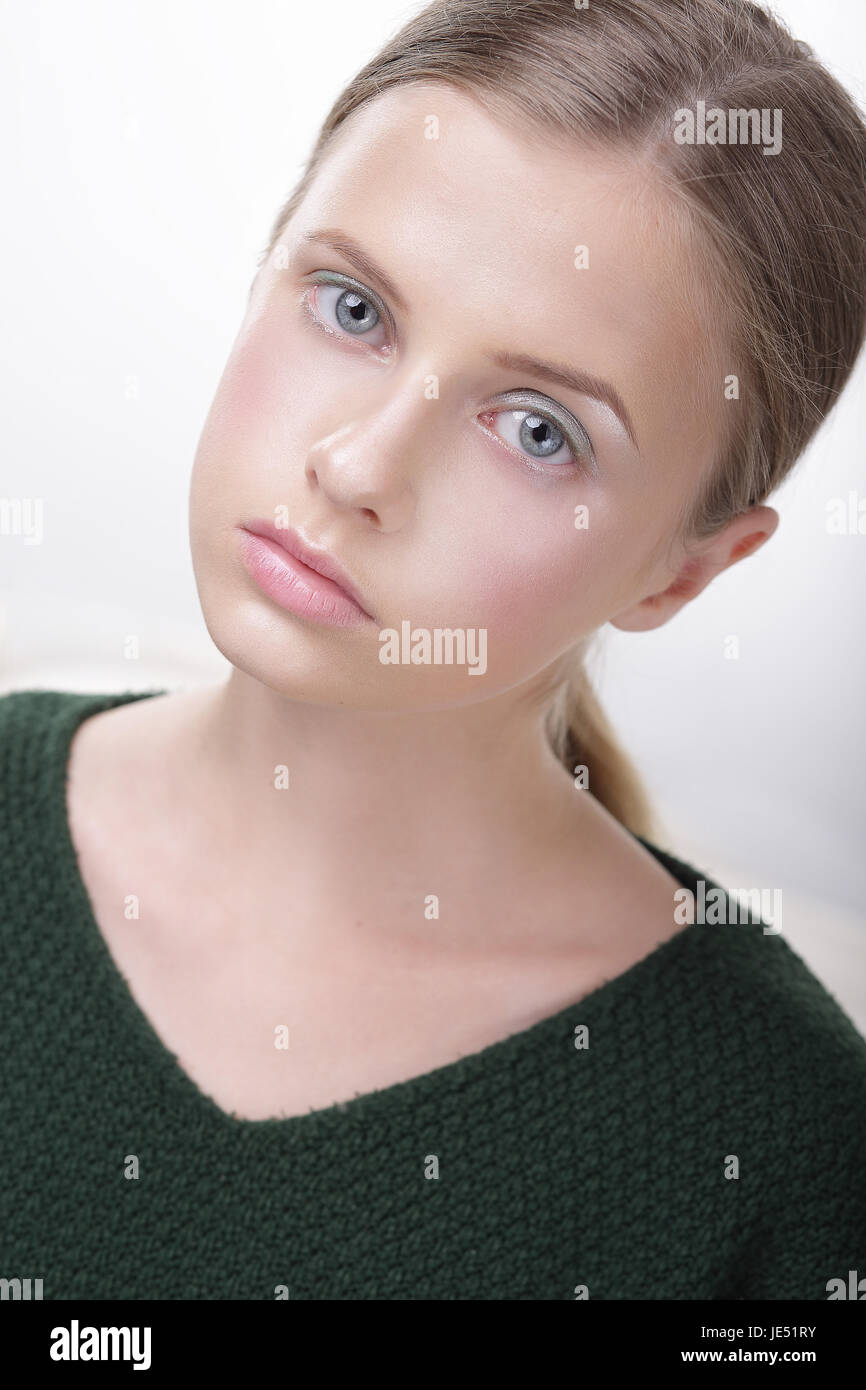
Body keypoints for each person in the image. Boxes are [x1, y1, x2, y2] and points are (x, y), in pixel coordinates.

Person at [2, 0, 865, 1300]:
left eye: (534, 430)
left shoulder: (780, 1135)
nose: (355, 465)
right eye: (350, 307)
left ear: (684, 567)